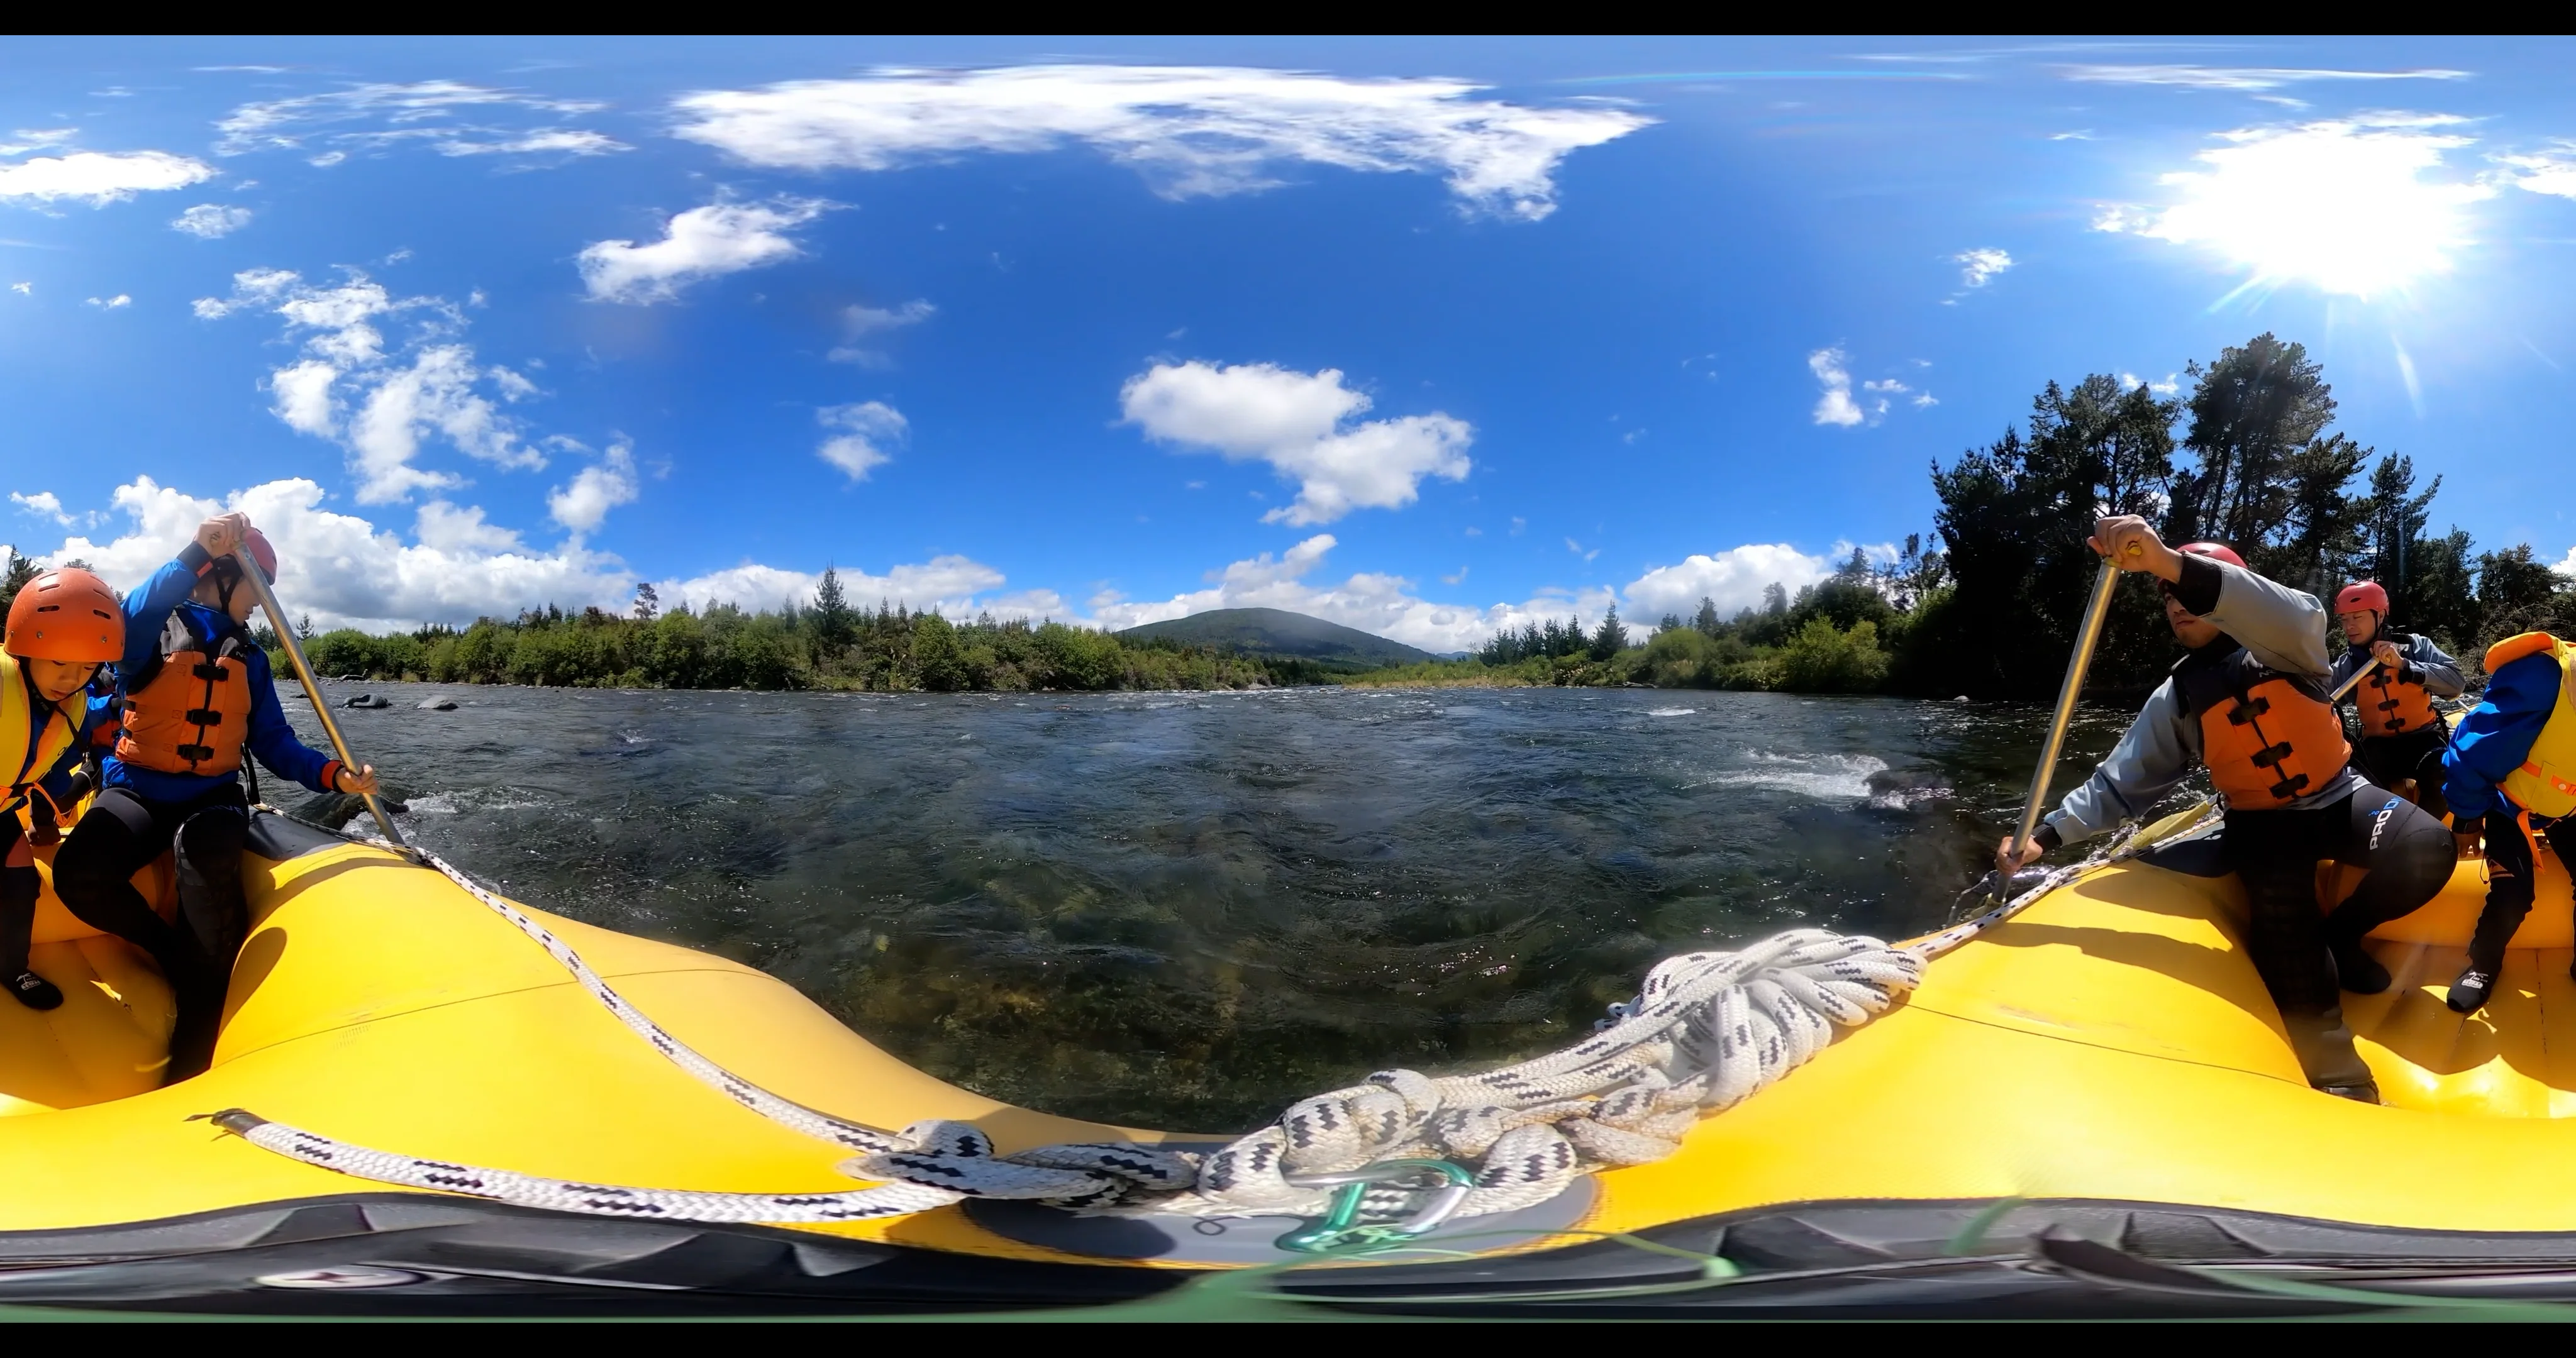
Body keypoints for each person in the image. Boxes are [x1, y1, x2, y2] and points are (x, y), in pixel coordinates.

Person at [1996, 517, 2455, 1103]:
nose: (2175, 605)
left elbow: (2293, 610)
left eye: (2184, 593)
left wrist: (2167, 564)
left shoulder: (2292, 640)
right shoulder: (2179, 695)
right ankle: (2340, 1075)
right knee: (2288, 934)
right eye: (2167, 599)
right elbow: (2122, 782)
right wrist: (2048, 836)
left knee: (2428, 848)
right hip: (2263, 828)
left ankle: (2343, 935)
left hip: (2341, 797)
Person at [50, 513, 378, 1081]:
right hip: (136, 788)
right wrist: (193, 551)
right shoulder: (148, 635)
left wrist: (333, 776)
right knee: (79, 872)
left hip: (214, 799)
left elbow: (274, 743)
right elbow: (133, 613)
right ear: (222, 575)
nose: (261, 602)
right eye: (259, 587)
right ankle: (169, 953)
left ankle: (193, 1055)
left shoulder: (250, 659)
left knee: (203, 870)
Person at [0, 568, 125, 1011]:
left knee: (21, 885)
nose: (71, 679)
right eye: (59, 662)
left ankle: (12, 967)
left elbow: (40, 773)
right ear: (25, 649)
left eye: (87, 667)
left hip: (1, 813)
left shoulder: (70, 710)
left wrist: (44, 822)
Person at [2437, 630, 2576, 1013]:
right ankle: (2483, 964)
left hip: (2566, 804)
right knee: (2513, 896)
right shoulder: (2544, 676)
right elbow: (2475, 751)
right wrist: (2466, 819)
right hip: (2508, 802)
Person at [2329, 581, 2467, 822]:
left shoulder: (2415, 646)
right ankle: (2388, 835)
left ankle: (2426, 831)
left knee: (2442, 774)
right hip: (2378, 746)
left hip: (2423, 739)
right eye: (2343, 620)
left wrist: (2404, 665)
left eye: (2357, 617)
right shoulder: (2345, 666)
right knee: (2355, 789)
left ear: (2380, 614)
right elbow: (2317, 698)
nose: (2349, 626)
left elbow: (2456, 683)